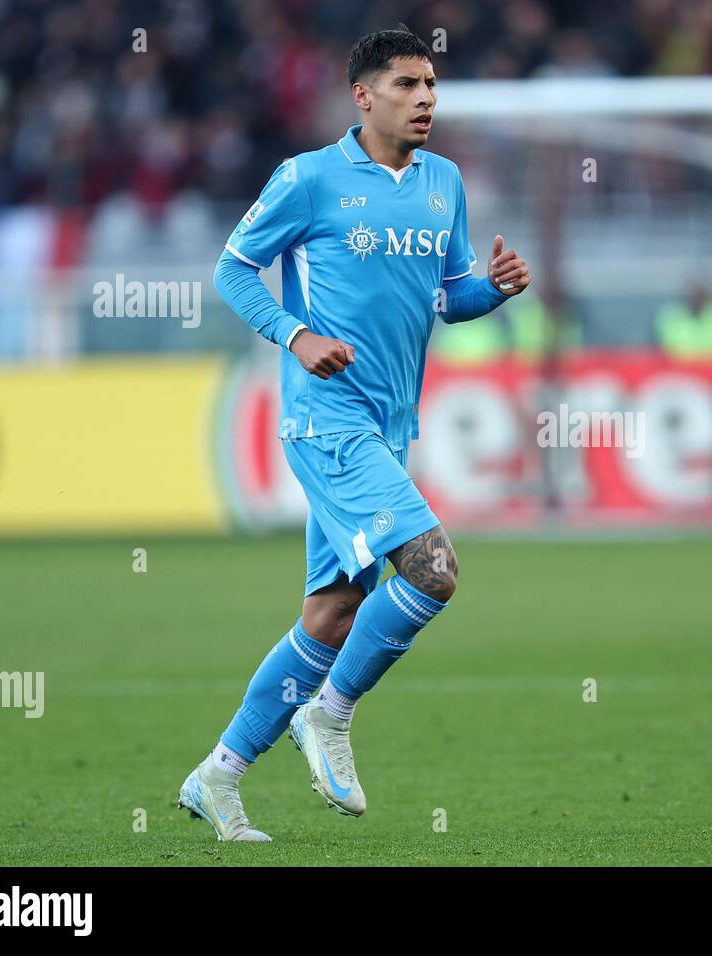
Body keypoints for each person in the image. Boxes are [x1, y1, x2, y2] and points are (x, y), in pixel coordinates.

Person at [177, 28, 530, 841]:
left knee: (334, 614)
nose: (426, 98)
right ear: (363, 97)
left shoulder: (444, 183)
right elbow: (233, 267)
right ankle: (329, 714)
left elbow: (450, 296)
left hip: (387, 422)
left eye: (433, 84)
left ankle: (217, 777)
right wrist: (296, 334)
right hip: (323, 418)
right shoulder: (307, 179)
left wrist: (493, 291)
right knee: (433, 569)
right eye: (408, 84)